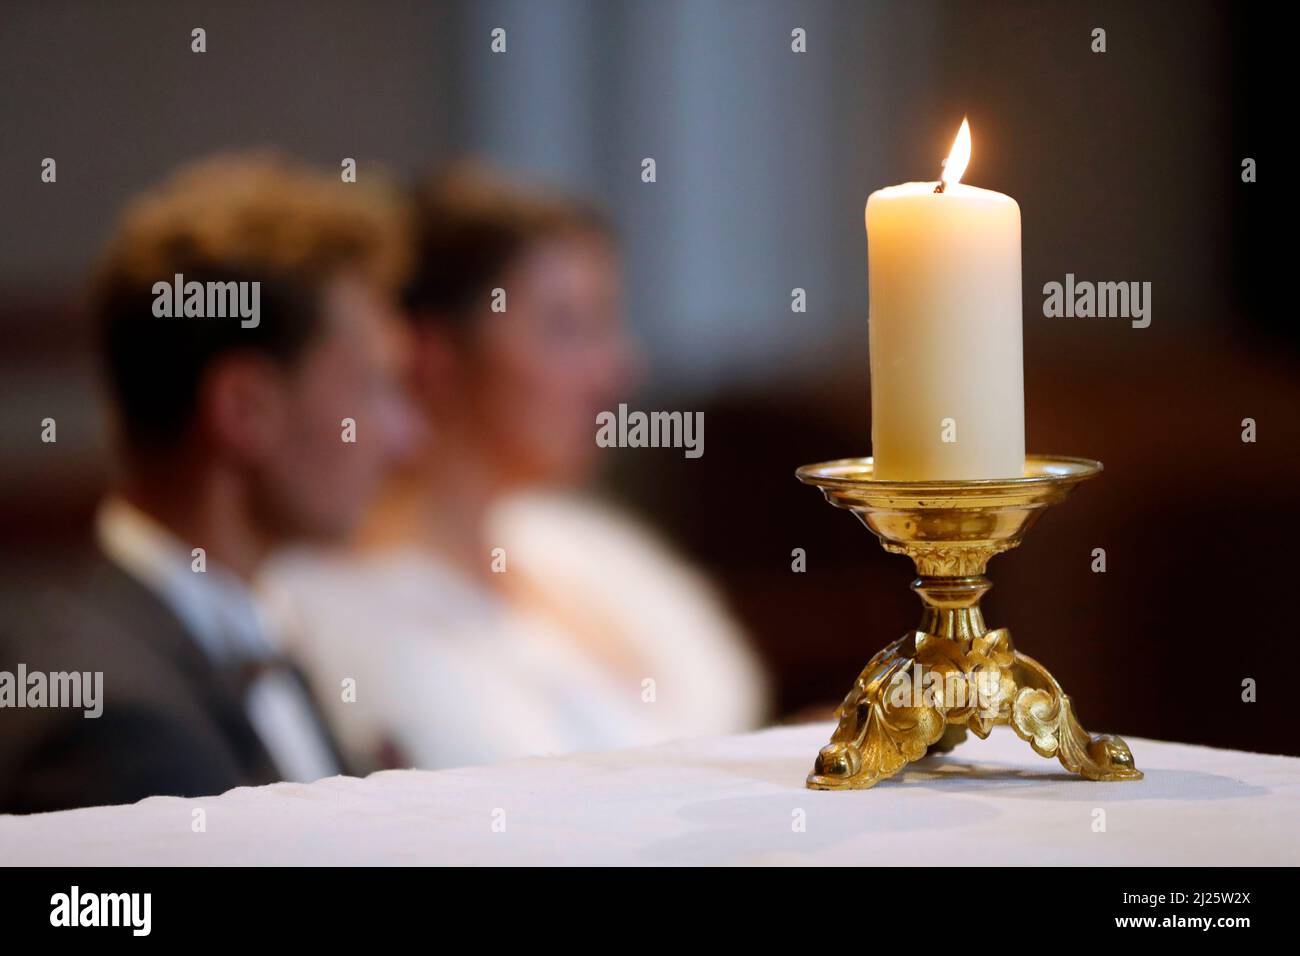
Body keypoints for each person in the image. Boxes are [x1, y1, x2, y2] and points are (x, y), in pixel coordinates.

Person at [266, 165, 768, 771]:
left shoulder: (577, 541)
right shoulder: (331, 606)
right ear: (433, 354)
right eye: (566, 328)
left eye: (606, 322)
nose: (617, 371)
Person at [0, 153, 414, 812]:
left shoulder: (252, 633)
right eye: (373, 388)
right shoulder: (109, 721)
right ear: (244, 409)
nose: (404, 436)